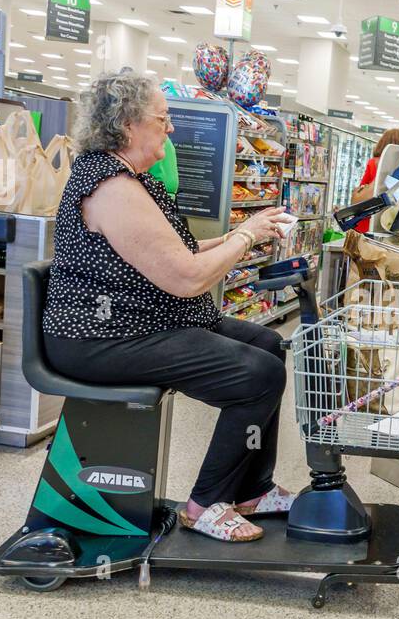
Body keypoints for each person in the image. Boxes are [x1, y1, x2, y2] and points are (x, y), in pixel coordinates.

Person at [41, 71, 291, 543]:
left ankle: (251, 489)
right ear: (129, 124)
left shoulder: (133, 180)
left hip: (139, 321)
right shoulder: (111, 188)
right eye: (162, 119)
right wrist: (244, 236)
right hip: (103, 337)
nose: (170, 129)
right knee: (259, 375)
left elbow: (181, 251)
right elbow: (185, 276)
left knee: (269, 344)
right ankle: (205, 505)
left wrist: (248, 229)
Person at [350, 127, 399, 233]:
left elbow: (362, 191)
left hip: (368, 219)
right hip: (391, 218)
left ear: (382, 143)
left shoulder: (373, 163)